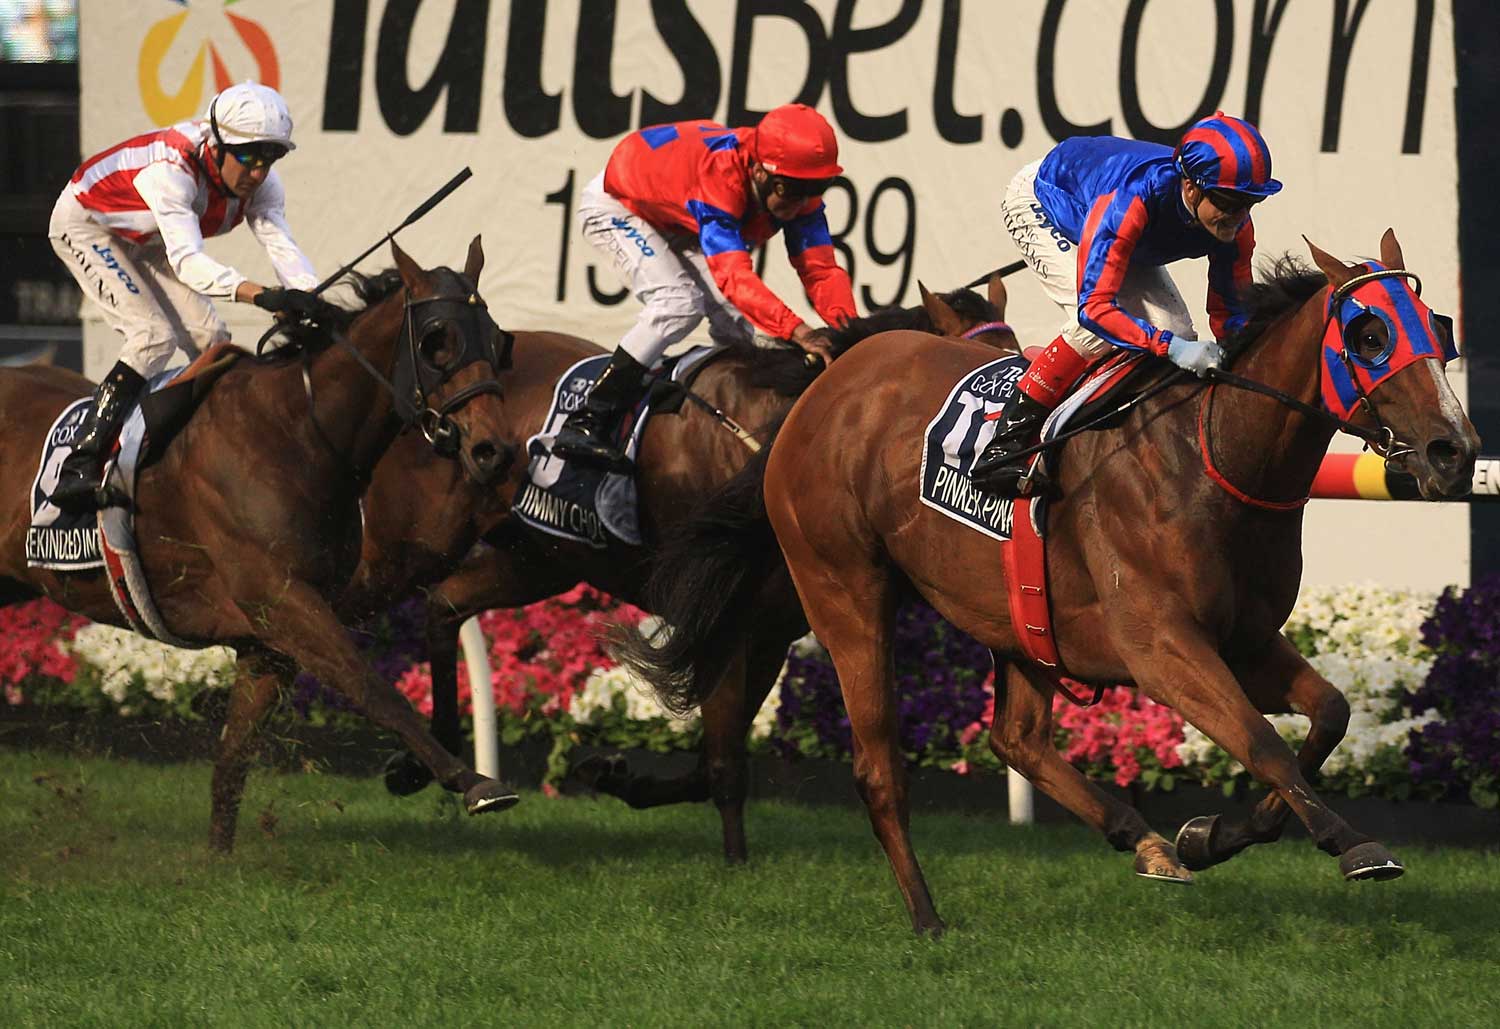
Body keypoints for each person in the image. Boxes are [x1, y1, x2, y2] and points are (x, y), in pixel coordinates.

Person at [970, 112, 1283, 496]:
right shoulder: (1133, 197)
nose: (1239, 215)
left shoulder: (1235, 226)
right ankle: (1002, 446)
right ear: (1190, 187)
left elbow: (1231, 311)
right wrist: (1170, 347)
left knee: (1180, 330)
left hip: (1116, 221)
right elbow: (1095, 308)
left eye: (1251, 202)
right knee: (1096, 331)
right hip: (1047, 201)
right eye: (1228, 201)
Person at [46, 80, 323, 511]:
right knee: (152, 336)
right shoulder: (171, 172)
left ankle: (186, 456)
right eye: (249, 157)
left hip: (146, 238)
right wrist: (264, 296)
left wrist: (309, 295)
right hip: (86, 225)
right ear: (216, 146)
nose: (258, 172)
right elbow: (189, 263)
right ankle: (79, 463)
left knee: (212, 340)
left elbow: (282, 246)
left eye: (271, 157)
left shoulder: (263, 185)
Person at [551, 103, 858, 471]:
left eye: (814, 190)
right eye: (788, 190)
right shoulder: (720, 180)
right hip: (619, 206)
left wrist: (849, 335)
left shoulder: (798, 195)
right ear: (759, 171)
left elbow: (821, 270)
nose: (798, 205)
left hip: (678, 218)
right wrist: (800, 331)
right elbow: (733, 276)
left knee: (736, 331)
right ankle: (588, 420)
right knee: (678, 304)